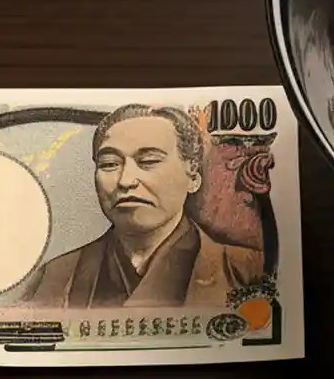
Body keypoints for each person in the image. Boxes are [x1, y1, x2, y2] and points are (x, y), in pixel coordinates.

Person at [25, 104, 263, 309]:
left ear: (193, 176)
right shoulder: (53, 277)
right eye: (109, 163)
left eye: (148, 161)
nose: (126, 180)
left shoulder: (246, 271)